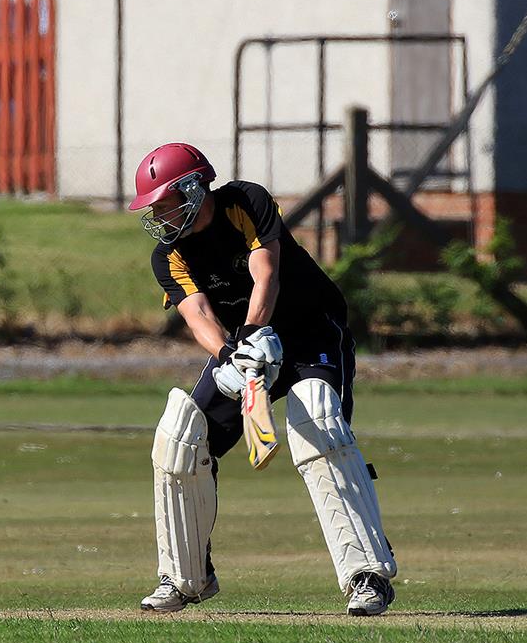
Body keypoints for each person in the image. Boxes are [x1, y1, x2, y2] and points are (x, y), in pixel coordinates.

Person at [127, 142, 396, 615]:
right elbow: (199, 315)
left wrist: (252, 332)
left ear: (194, 188)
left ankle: (366, 576)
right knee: (182, 438)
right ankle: (184, 577)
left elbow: (265, 272)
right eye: (155, 208)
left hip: (310, 330)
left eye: (167, 203)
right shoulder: (167, 255)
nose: (162, 216)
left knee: (318, 422)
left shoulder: (244, 202)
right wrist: (233, 355)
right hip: (247, 350)